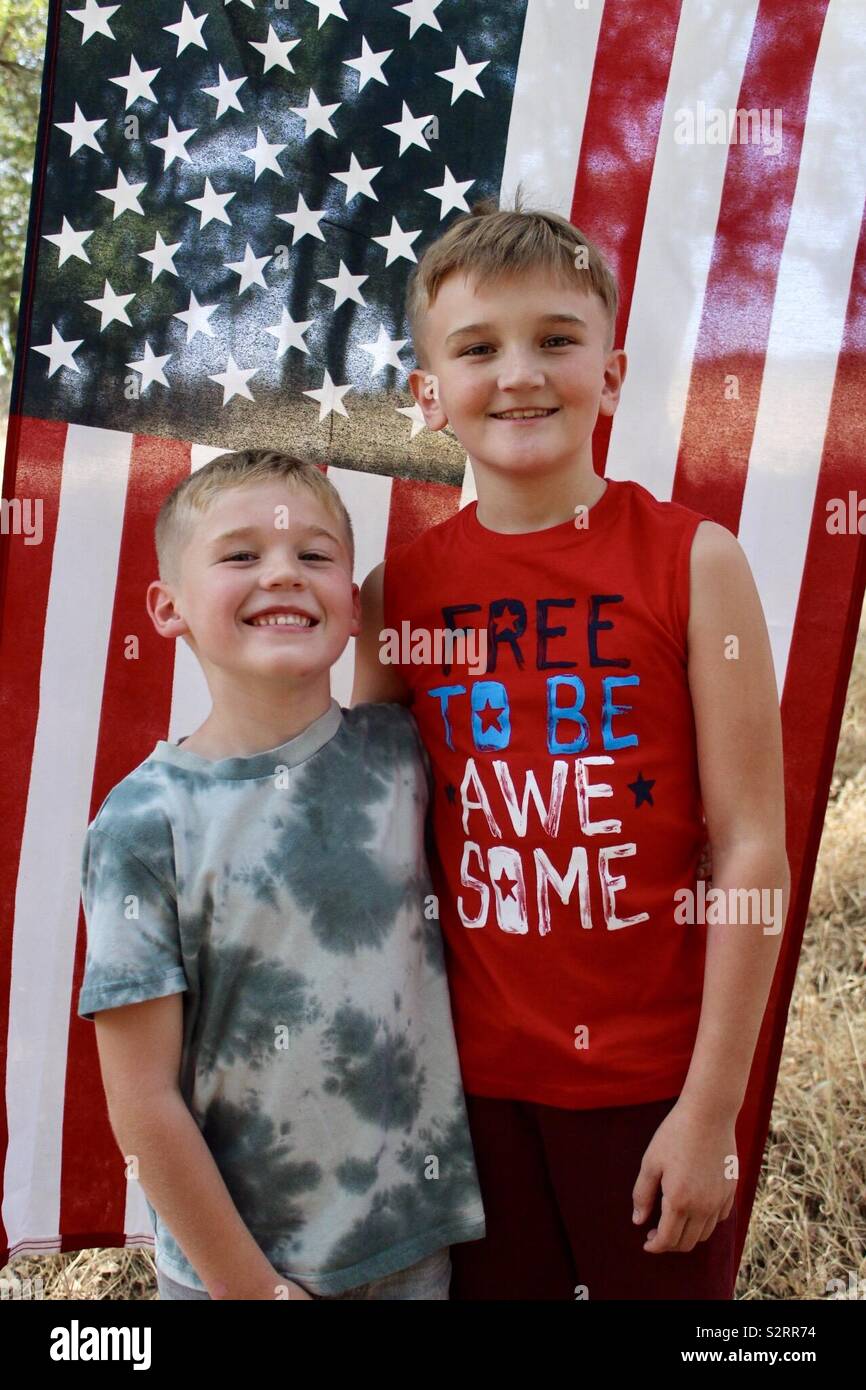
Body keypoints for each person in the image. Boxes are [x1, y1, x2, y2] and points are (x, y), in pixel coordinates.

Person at [351, 195, 790, 1300]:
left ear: (612, 369)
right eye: (477, 348)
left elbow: (749, 852)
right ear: (428, 395)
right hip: (471, 1093)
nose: (518, 374)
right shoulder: (397, 592)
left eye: (555, 339)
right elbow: (366, 840)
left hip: (652, 1087)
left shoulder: (693, 562)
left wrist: (708, 1109)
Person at [77, 449, 485, 1300]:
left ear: (354, 603)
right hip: (237, 1275)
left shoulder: (403, 754)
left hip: (415, 1250)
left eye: (315, 556)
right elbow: (144, 1101)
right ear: (168, 608)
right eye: (240, 555)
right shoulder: (141, 826)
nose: (283, 576)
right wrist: (249, 1287)